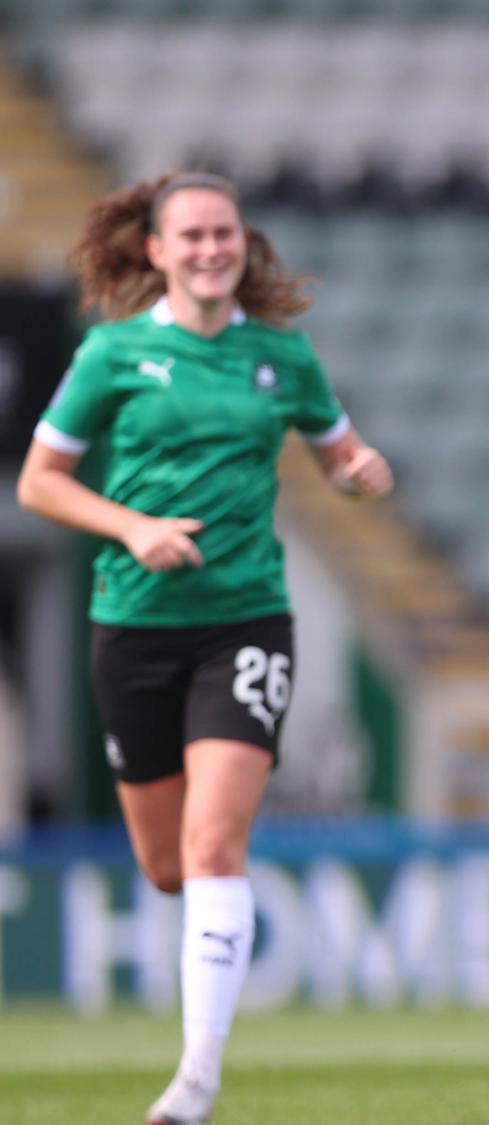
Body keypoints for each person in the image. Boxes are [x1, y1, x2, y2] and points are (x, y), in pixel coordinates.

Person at [15, 171, 394, 1125]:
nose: (210, 248)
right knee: (166, 866)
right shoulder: (113, 353)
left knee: (215, 841)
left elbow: (338, 448)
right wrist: (130, 527)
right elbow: (41, 484)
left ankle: (196, 1080)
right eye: (190, 235)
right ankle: (199, 1030)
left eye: (223, 232)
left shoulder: (281, 357)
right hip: (134, 624)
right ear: (155, 250)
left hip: (245, 621)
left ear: (243, 242)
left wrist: (357, 470)